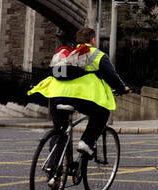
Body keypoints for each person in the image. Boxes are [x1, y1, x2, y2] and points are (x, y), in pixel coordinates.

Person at [29, 28, 130, 172]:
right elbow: (112, 77)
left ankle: (52, 172)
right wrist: (122, 89)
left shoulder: (67, 54)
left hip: (55, 96)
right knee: (102, 113)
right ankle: (86, 142)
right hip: (81, 98)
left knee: (60, 131)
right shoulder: (97, 54)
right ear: (93, 40)